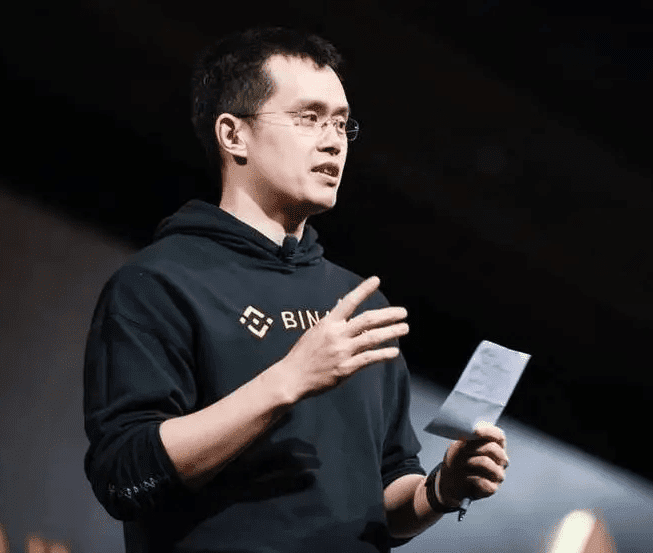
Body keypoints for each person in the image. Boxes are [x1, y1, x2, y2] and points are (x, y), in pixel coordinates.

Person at [83, 26, 509, 552]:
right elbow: (124, 477)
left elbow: (383, 499)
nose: (333, 140)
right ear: (233, 135)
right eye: (309, 117)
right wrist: (288, 380)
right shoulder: (159, 283)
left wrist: (442, 488)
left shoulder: (359, 305)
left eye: (342, 123)